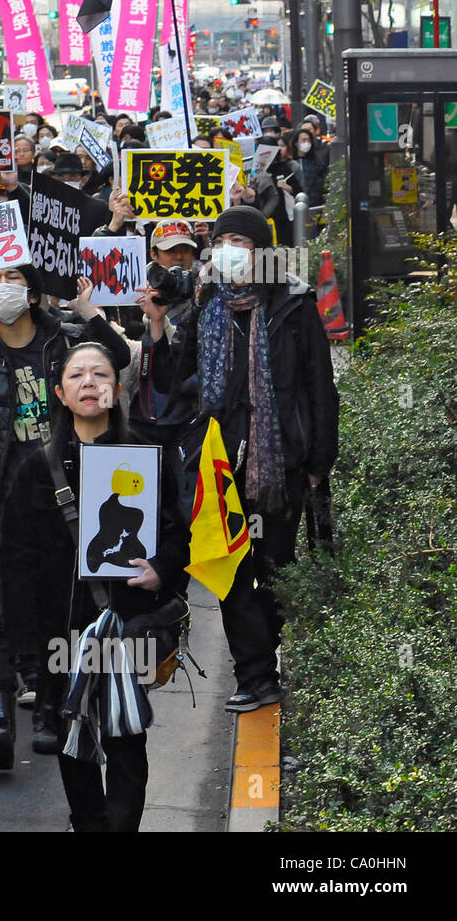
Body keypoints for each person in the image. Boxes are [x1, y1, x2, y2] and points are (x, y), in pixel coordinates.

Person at [0, 265, 132, 768]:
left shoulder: (65, 338)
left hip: (65, 493)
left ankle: (47, 709)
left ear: (33, 290)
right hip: (2, 495)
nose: (1, 288)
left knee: (55, 605)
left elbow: (118, 358)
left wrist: (91, 314)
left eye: (11, 277)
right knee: (1, 604)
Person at [146, 205, 339, 712]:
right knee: (231, 568)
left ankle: (266, 654)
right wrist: (160, 327)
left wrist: (320, 458)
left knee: (272, 566)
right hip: (219, 462)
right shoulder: (204, 305)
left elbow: (320, 386)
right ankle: (254, 674)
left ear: (264, 252)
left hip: (282, 465)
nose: (231, 250)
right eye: (223, 239)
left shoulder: (294, 305)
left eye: (243, 242)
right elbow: (173, 383)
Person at [0, 341, 188, 831]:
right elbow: (14, 562)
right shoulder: (36, 468)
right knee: (73, 734)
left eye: (100, 374)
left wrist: (160, 570)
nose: (89, 383)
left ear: (116, 389)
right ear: (60, 393)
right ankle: (89, 822)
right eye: (77, 375)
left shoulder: (148, 460)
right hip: (61, 632)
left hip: (126, 624)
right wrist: (24, 650)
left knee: (127, 737)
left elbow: (179, 533)